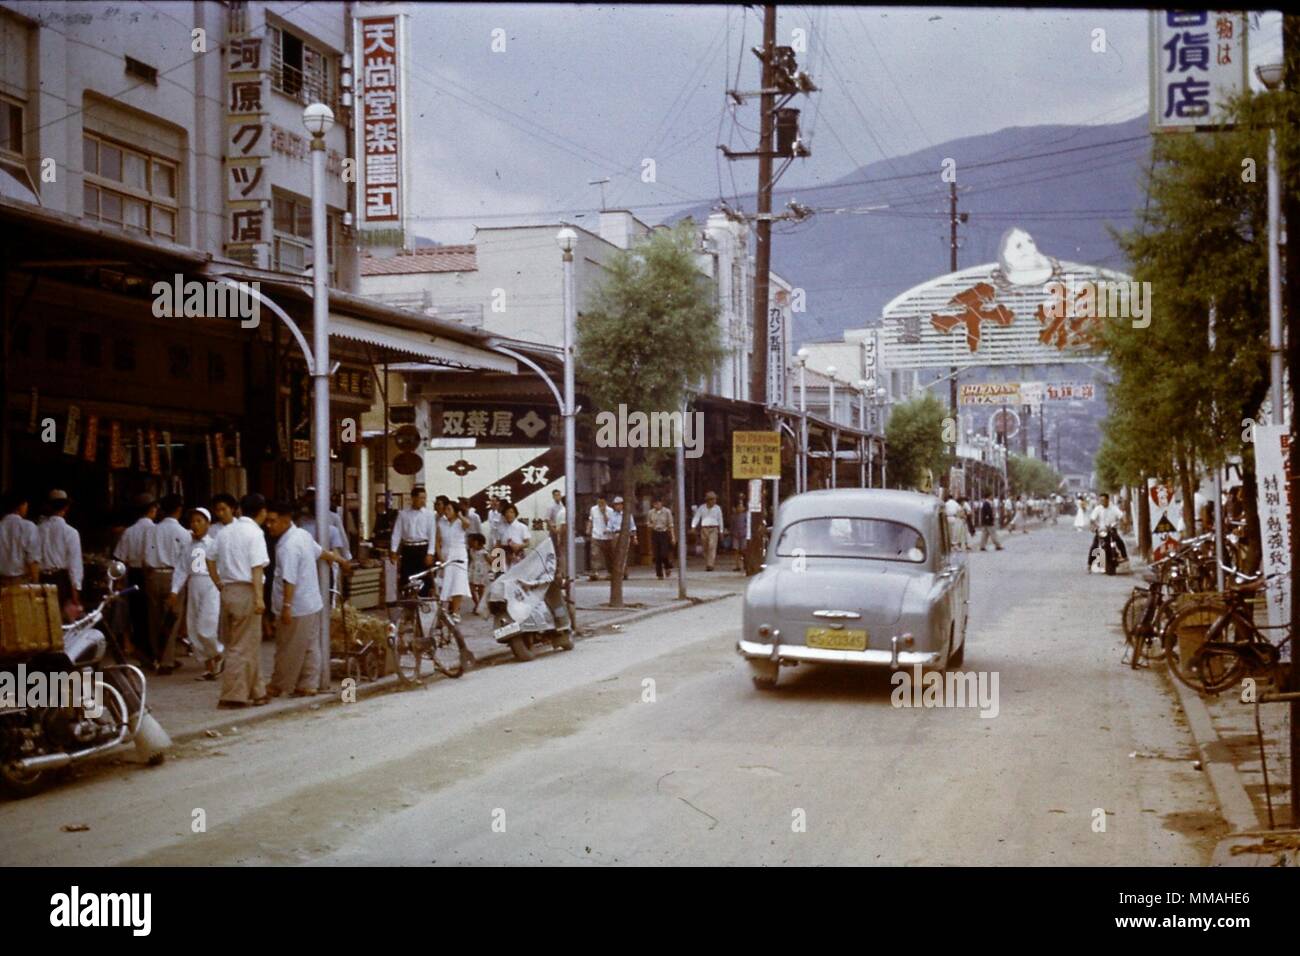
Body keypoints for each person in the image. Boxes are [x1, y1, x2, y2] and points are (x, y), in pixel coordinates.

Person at [264, 501, 343, 698]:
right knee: (309, 646)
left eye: (273, 521)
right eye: (267, 521)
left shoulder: (288, 546)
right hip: (311, 602)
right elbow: (322, 553)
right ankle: (308, 683)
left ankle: (279, 684)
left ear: (285, 520)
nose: (269, 525)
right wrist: (341, 561)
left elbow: (289, 579)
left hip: (297, 605)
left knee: (287, 647)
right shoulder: (303, 536)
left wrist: (287, 607)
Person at [207, 493, 271, 708]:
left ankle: (257, 691)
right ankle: (232, 695)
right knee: (240, 646)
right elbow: (256, 567)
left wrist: (218, 582)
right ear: (262, 512)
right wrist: (260, 598)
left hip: (228, 591)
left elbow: (209, 558)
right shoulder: (255, 533)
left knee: (247, 643)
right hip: (247, 590)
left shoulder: (224, 532)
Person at [169, 507, 223, 681]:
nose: (195, 525)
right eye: (193, 521)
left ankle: (219, 654)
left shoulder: (214, 544)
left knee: (207, 625)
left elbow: (221, 567)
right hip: (194, 585)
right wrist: (174, 590)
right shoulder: (188, 546)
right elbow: (181, 569)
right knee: (193, 628)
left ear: (208, 523)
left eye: (199, 521)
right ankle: (209, 668)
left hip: (210, 585)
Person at [113, 493, 160, 667]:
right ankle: (156, 653)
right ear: (152, 509)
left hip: (133, 575)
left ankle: (142, 652)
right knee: (153, 615)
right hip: (151, 574)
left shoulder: (129, 532)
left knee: (137, 615)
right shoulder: (156, 530)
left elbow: (120, 559)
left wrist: (119, 582)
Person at [150, 494, 191, 674]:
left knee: (155, 619)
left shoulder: (152, 530)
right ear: (179, 510)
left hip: (153, 575)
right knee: (172, 618)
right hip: (174, 576)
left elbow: (145, 555)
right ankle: (166, 660)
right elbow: (186, 561)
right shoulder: (183, 533)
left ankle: (157, 657)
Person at [37, 490, 82, 614]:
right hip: (61, 581)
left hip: (41, 579)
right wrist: (75, 595)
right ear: (66, 508)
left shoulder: (37, 530)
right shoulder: (71, 533)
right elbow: (75, 565)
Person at [389, 486, 435, 597]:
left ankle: (423, 605)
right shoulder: (403, 514)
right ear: (413, 498)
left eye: (425, 498)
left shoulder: (429, 515)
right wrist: (393, 551)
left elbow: (432, 534)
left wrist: (430, 553)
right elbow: (397, 533)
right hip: (408, 549)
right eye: (421, 498)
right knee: (407, 577)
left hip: (422, 548)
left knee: (423, 578)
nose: (423, 501)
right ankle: (408, 605)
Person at [432, 498, 472, 623]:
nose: (446, 512)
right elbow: (437, 542)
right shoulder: (441, 523)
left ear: (455, 511)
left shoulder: (461, 522)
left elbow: (467, 524)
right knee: (444, 583)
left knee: (458, 583)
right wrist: (439, 556)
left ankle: (455, 612)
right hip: (445, 553)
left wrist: (460, 515)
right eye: (445, 509)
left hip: (459, 554)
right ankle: (443, 611)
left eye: (449, 509)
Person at [0, 491, 40, 586]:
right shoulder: (28, 527)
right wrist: (36, 582)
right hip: (21, 582)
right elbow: (32, 559)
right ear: (20, 506)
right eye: (25, 504)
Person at [1088, 492, 1129, 575]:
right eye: (1101, 500)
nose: (1102, 502)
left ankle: (1125, 556)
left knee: (1119, 540)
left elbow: (1121, 516)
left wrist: (1124, 521)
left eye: (1103, 500)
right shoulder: (1098, 509)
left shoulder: (1114, 508)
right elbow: (1092, 519)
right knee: (1094, 545)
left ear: (1107, 500)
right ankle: (1089, 564)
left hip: (1111, 530)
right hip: (1101, 530)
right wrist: (1094, 526)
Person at [691, 491, 724, 571]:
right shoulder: (702, 508)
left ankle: (710, 564)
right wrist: (693, 526)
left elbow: (720, 519)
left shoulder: (717, 508)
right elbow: (697, 517)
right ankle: (708, 562)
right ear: (708, 500)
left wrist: (721, 531)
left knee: (712, 546)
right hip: (704, 529)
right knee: (705, 547)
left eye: (714, 499)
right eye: (712, 499)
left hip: (714, 528)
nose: (714, 501)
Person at [607, 496, 637, 578]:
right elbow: (609, 526)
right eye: (616, 505)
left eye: (619, 504)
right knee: (616, 554)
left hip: (625, 534)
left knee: (624, 553)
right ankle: (618, 571)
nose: (618, 506)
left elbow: (632, 527)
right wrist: (609, 533)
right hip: (615, 534)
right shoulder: (612, 515)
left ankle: (623, 572)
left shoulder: (627, 515)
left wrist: (634, 537)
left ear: (622, 505)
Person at [647, 495, 675, 579]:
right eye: (655, 504)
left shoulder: (667, 511)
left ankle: (667, 566)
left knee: (664, 553)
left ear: (661, 503)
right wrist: (652, 526)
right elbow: (648, 523)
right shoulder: (651, 512)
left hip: (664, 533)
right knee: (656, 554)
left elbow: (671, 525)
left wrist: (673, 536)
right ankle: (659, 574)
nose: (657, 505)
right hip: (655, 532)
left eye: (658, 503)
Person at [586, 494, 614, 580]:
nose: (600, 504)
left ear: (605, 502)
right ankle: (594, 572)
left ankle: (610, 572)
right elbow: (591, 520)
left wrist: (604, 513)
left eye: (602, 502)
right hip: (596, 535)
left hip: (607, 536)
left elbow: (609, 523)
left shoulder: (610, 510)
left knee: (608, 555)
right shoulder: (593, 509)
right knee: (594, 554)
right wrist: (588, 529)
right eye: (599, 502)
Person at [467, 532, 490, 615]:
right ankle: (477, 603)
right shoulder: (471, 550)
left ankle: (480, 605)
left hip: (481, 571)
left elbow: (490, 561)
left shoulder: (484, 552)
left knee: (481, 588)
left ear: (477, 542)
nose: (470, 543)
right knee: (471, 588)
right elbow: (470, 559)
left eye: (472, 542)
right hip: (473, 570)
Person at [731, 496, 749, 571]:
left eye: (742, 506)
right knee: (736, 550)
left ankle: (746, 563)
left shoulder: (745, 515)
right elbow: (732, 525)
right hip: (735, 535)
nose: (740, 508)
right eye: (738, 506)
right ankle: (737, 565)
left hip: (743, 534)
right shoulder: (733, 516)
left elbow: (747, 524)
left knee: (743, 550)